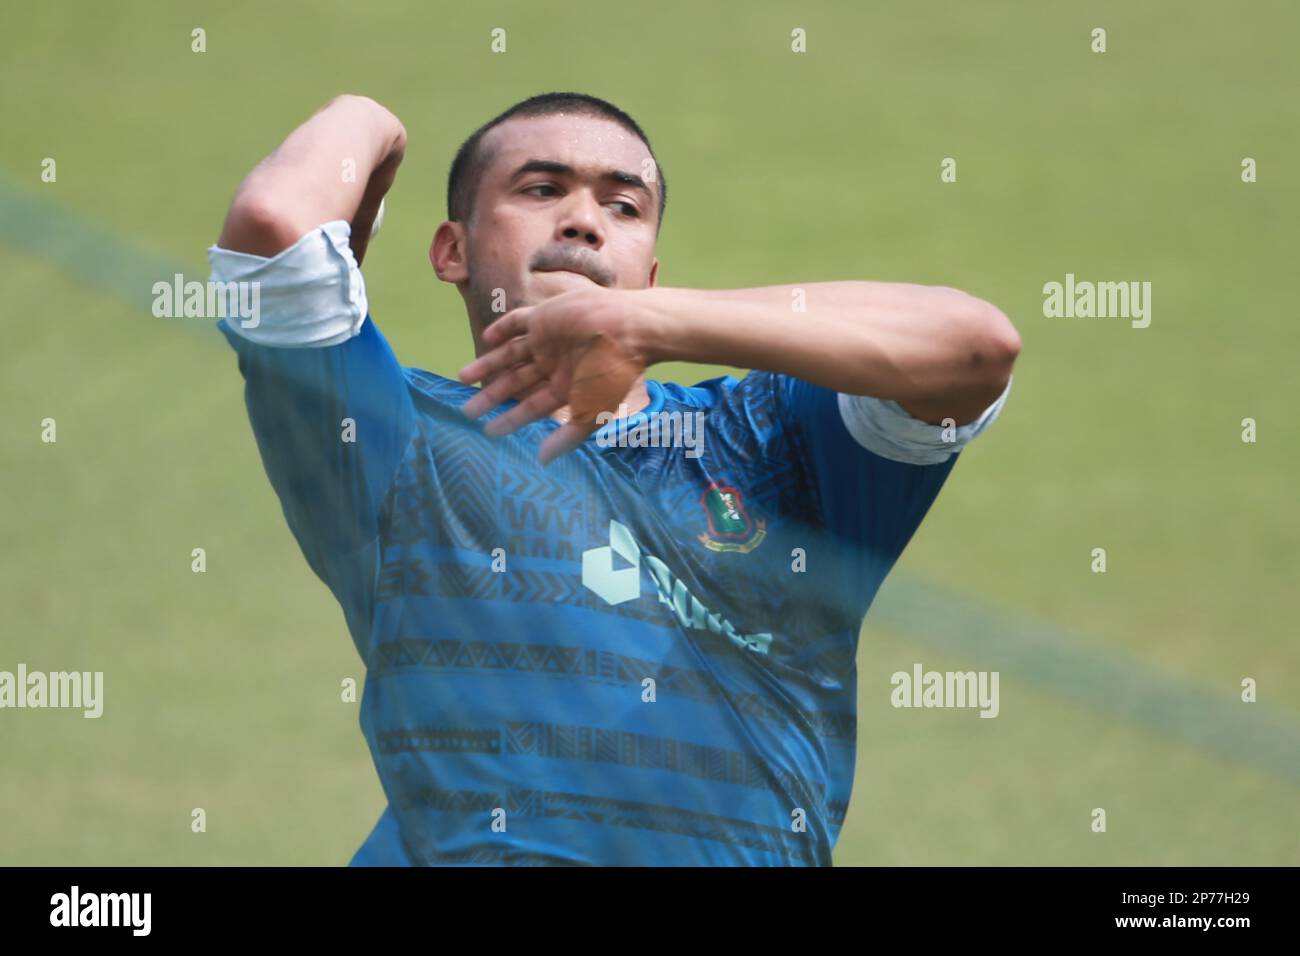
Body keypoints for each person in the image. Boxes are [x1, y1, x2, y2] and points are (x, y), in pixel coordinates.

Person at [210, 91, 1020, 865]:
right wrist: (374, 123)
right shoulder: (397, 437)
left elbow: (977, 347)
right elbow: (275, 224)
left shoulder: (775, 437)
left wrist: (650, 327)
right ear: (452, 251)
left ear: (653, 274)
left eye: (623, 206)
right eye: (541, 188)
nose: (584, 221)